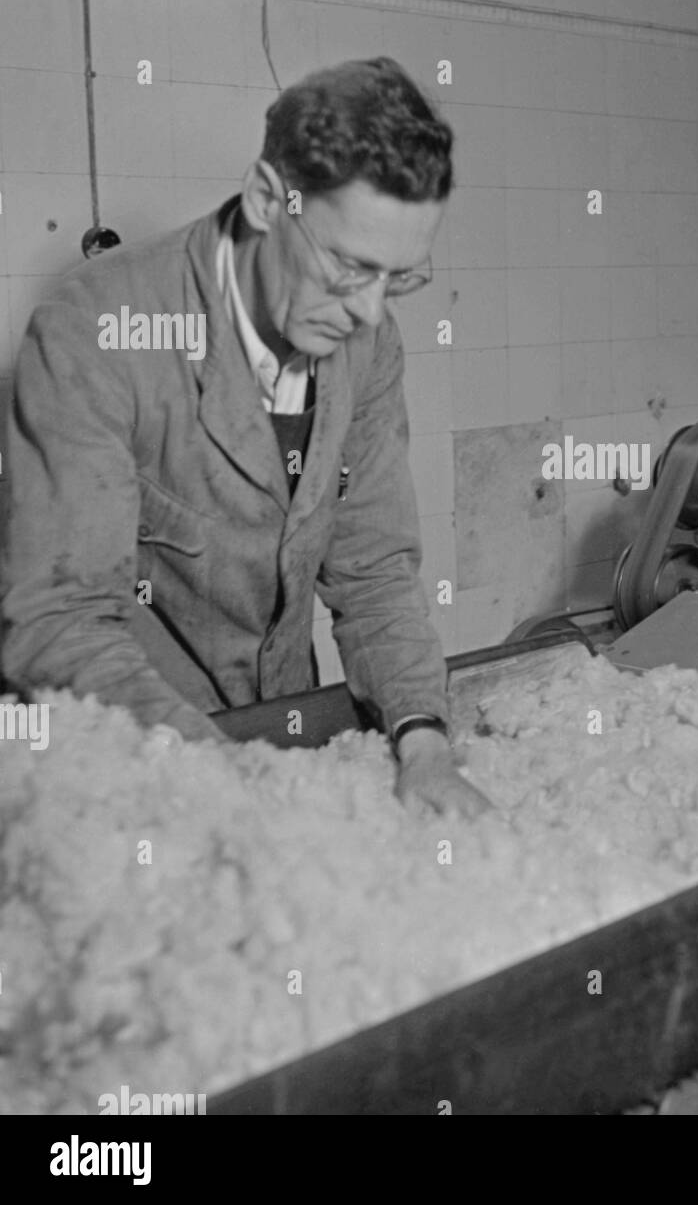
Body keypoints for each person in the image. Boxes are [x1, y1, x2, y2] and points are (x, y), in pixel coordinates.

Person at [1, 57, 490, 818]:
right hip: (126, 750)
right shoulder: (97, 330)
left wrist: (422, 739)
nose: (366, 312)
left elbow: (372, 573)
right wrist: (217, 779)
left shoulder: (367, 342)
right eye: (347, 267)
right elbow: (58, 620)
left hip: (277, 723)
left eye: (396, 279)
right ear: (268, 198)